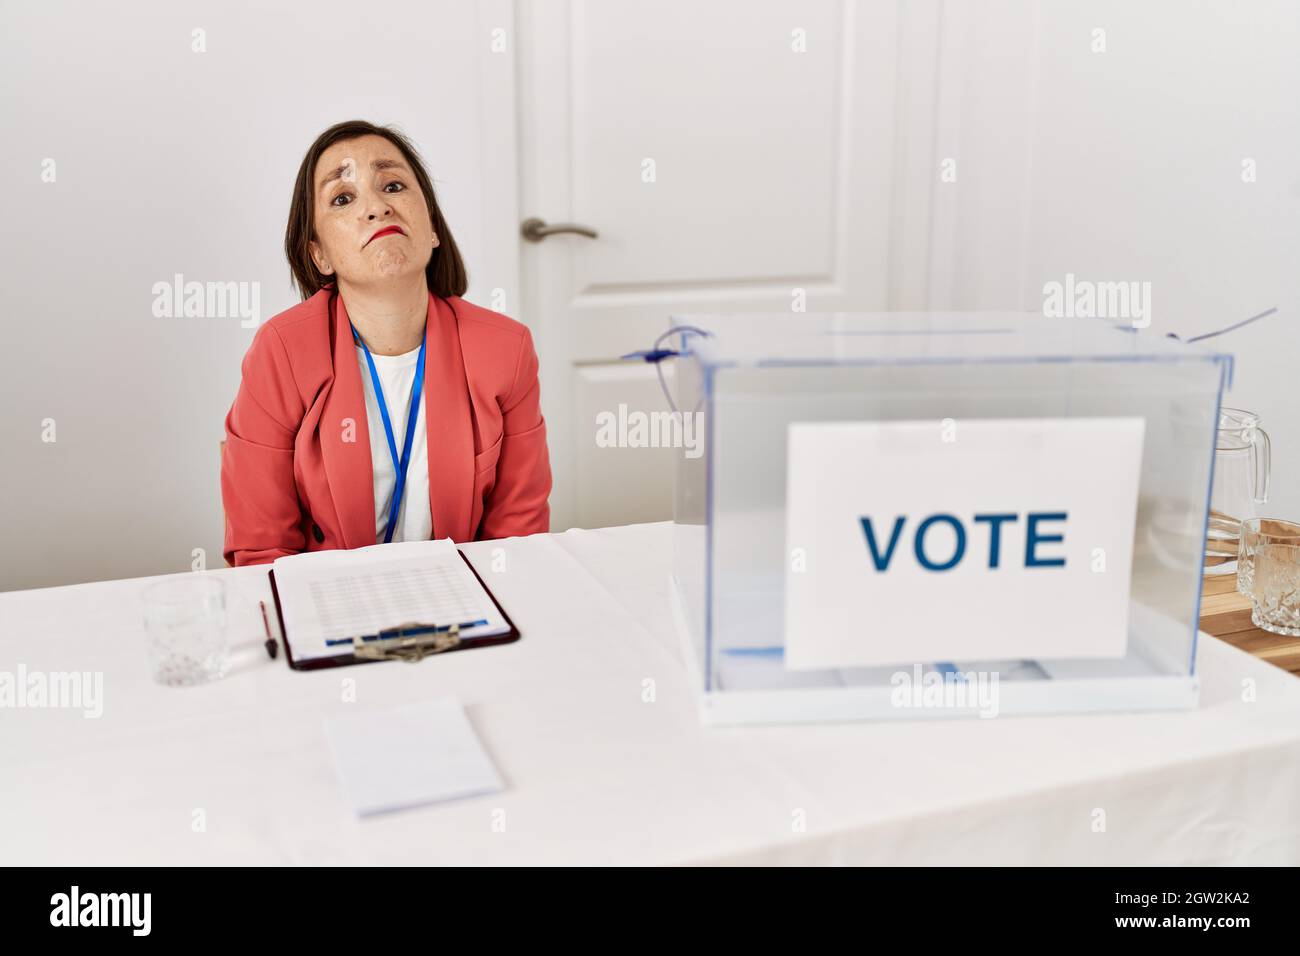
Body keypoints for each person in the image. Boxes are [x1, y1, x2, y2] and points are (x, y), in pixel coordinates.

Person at [221, 120, 551, 566]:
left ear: (432, 227)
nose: (376, 208)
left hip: (465, 604)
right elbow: (262, 550)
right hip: (329, 608)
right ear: (319, 254)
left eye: (392, 186)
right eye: (342, 198)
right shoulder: (279, 352)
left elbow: (518, 539)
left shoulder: (507, 350)